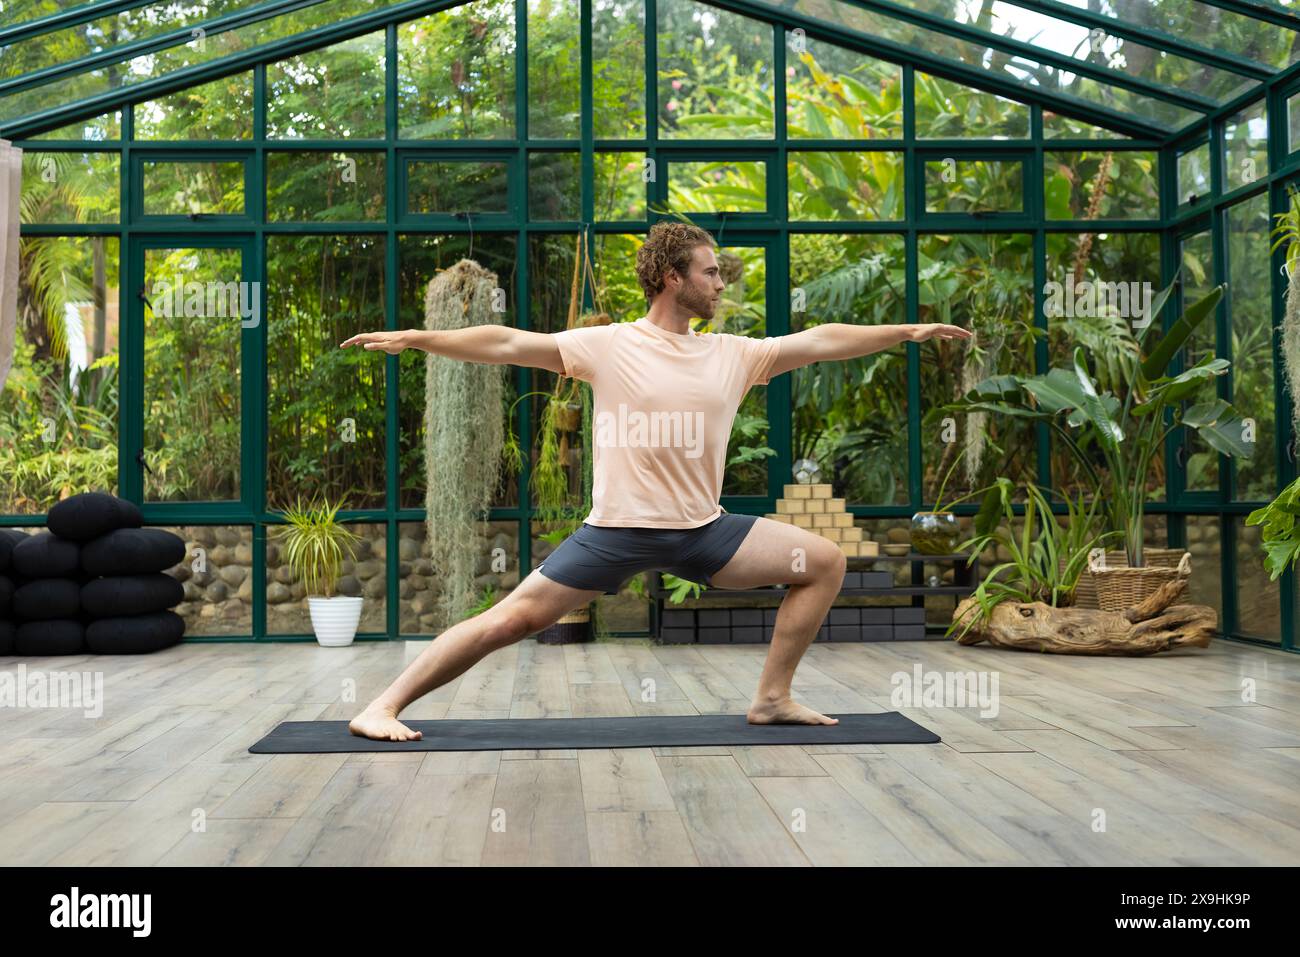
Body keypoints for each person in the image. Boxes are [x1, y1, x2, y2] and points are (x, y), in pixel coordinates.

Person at [339, 221, 969, 741]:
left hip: (703, 533)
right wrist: (418, 338)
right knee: (508, 622)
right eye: (711, 272)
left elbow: (821, 339)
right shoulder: (609, 345)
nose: (720, 282)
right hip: (615, 533)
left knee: (824, 561)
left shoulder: (736, 354)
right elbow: (506, 342)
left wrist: (908, 332)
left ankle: (773, 699)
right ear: (674, 278)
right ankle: (382, 707)